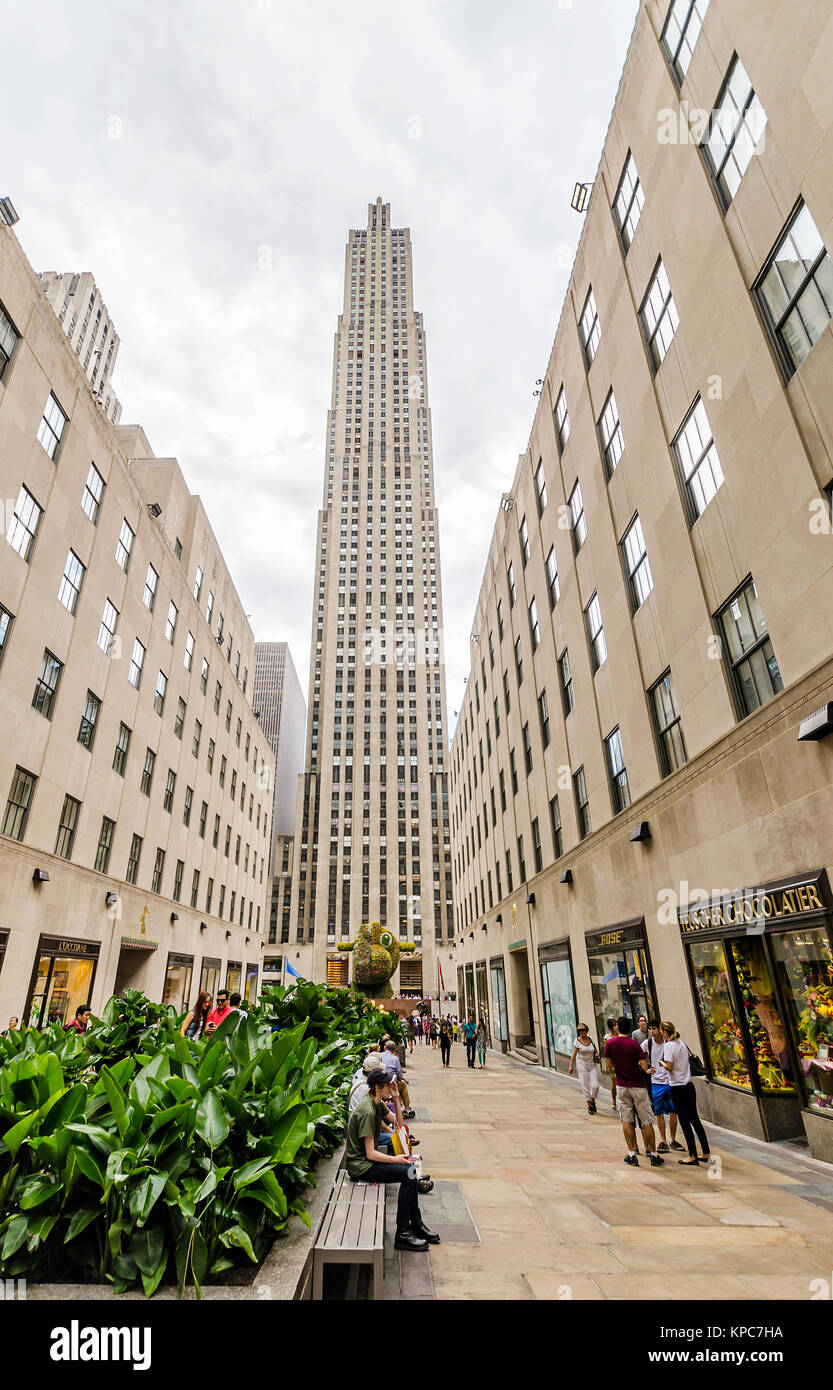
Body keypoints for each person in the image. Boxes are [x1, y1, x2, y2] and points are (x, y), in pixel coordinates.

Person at [345, 1068, 440, 1252]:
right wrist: (395, 1159)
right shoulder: (367, 1111)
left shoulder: (376, 1102)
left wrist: (396, 1097)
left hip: (367, 1161)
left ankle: (416, 1224)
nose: (392, 1086)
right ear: (379, 1087)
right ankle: (403, 1233)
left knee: (411, 1171)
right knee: (408, 1173)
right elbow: (370, 1153)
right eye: (389, 1085)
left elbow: (399, 1124)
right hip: (361, 1166)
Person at [604, 1016, 665, 1168]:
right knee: (646, 1120)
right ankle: (653, 1153)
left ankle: (632, 1153)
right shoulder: (634, 1045)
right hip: (638, 1085)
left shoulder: (610, 1044)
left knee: (626, 1120)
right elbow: (644, 1065)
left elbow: (608, 1067)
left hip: (622, 1086)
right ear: (630, 1028)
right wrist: (647, 1070)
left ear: (618, 1027)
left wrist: (618, 1070)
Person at [660, 1020, 711, 1167]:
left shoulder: (668, 1046)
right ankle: (705, 1152)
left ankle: (692, 1155)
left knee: (684, 1121)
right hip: (689, 1086)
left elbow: (669, 1067)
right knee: (695, 1119)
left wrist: (661, 1063)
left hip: (677, 1087)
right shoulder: (681, 1044)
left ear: (664, 1032)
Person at [642, 1019, 681, 1153]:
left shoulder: (668, 1043)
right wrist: (646, 1069)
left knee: (673, 1111)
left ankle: (673, 1139)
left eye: (654, 1028)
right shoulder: (648, 1043)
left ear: (660, 1030)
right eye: (650, 1029)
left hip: (670, 1081)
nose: (652, 1031)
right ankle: (663, 1140)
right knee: (659, 1112)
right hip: (656, 1082)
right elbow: (637, 1056)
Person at [568, 1023, 600, 1114]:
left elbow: (595, 1050)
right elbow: (573, 1054)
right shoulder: (577, 1041)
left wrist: (597, 1054)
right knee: (585, 1085)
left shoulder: (591, 1039)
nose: (582, 1032)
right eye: (580, 1031)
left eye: (583, 1030)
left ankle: (592, 1099)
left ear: (586, 1031)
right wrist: (571, 1066)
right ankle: (590, 1105)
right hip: (582, 1065)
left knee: (595, 1085)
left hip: (591, 1064)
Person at [383, 1040, 415, 1118]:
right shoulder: (395, 1059)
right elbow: (400, 1075)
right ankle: (407, 1108)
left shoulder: (380, 1055)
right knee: (403, 1084)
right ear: (394, 1050)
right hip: (389, 1084)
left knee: (398, 1083)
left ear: (385, 1048)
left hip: (381, 1082)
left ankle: (399, 1105)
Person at [604, 1018, 619, 1109]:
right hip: (613, 1064)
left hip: (621, 1062)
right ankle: (614, 1098)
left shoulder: (622, 1035)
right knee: (614, 1084)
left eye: (617, 1025)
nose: (617, 1027)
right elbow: (607, 1053)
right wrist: (607, 1065)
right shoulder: (607, 1037)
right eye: (615, 1025)